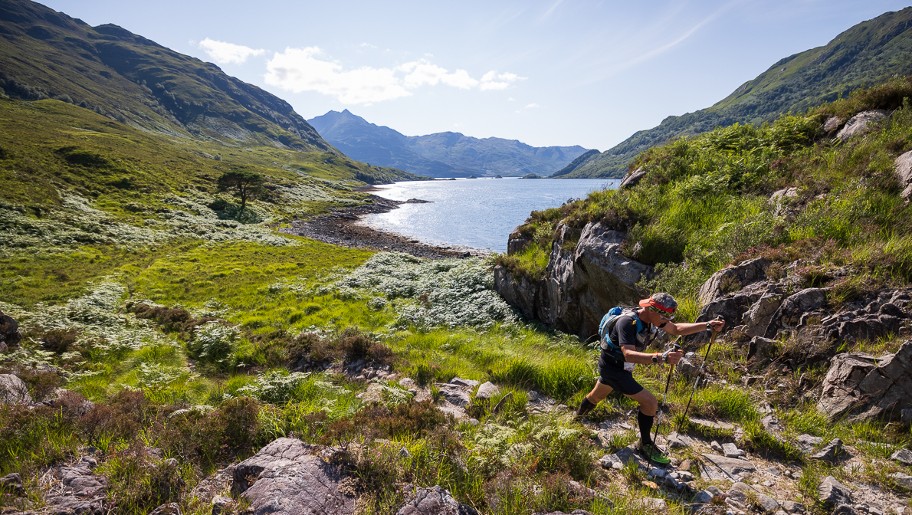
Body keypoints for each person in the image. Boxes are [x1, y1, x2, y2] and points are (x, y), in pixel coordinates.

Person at [576, 292, 725, 465]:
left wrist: (707, 325)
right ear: (650, 309)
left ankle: (576, 421)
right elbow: (628, 354)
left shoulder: (653, 320)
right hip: (614, 369)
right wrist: (662, 357)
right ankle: (645, 444)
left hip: (619, 367)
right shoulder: (627, 323)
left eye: (669, 317)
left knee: (596, 396)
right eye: (664, 316)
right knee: (650, 403)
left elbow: (676, 329)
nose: (666, 320)